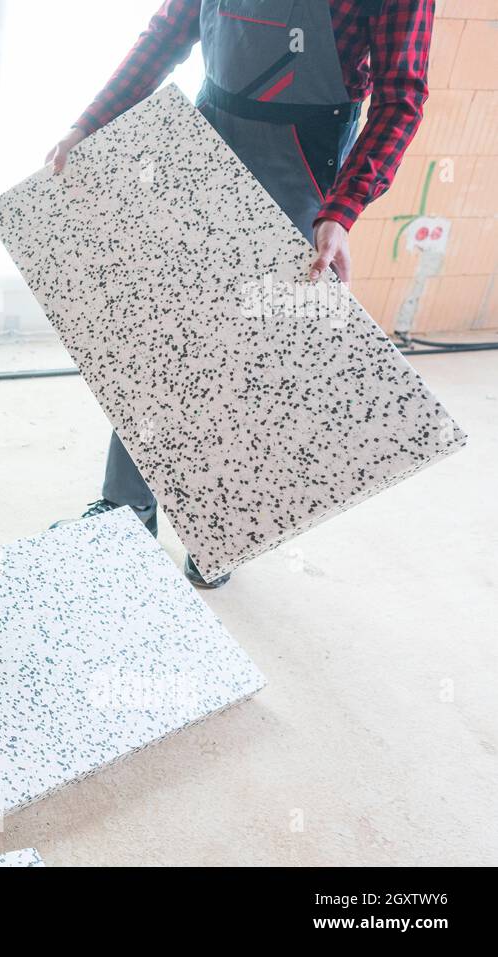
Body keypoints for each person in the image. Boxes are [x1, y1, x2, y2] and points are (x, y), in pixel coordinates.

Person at [45, 0, 432, 587]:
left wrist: (344, 209)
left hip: (304, 155)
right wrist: (91, 121)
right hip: (206, 131)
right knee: (157, 330)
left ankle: (217, 524)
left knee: (252, 353)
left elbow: (402, 96)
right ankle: (126, 509)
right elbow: (171, 29)